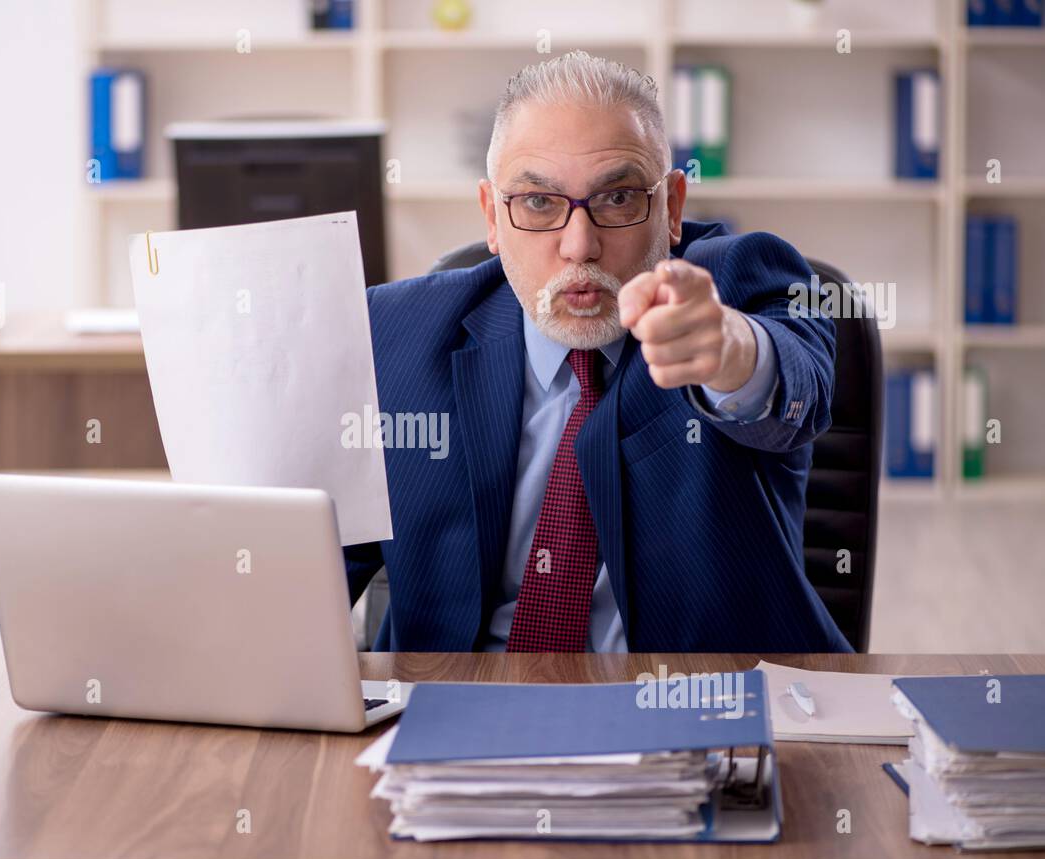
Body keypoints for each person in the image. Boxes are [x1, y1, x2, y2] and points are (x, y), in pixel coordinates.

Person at [344, 51, 851, 654]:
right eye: (537, 202)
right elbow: (311, 575)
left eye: (617, 199)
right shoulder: (394, 331)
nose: (578, 246)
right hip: (453, 711)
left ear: (672, 208)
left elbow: (801, 386)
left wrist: (732, 351)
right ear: (490, 215)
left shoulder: (738, 281)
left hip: (691, 712)